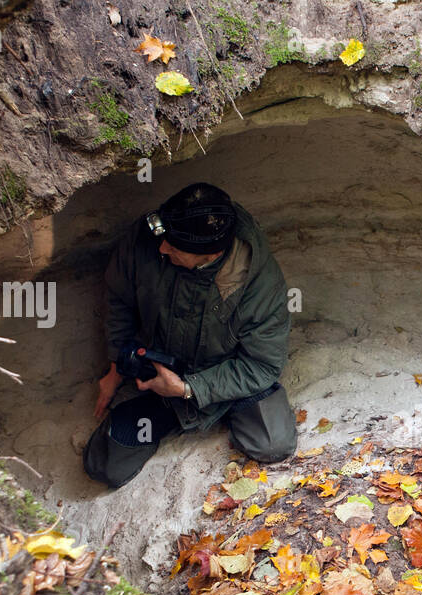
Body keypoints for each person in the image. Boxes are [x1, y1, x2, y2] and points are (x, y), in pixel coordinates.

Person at [84, 182, 297, 487]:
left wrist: (188, 388)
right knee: (104, 466)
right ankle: (171, 410)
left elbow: (261, 365)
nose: (162, 248)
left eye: (174, 247)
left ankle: (219, 409)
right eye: (165, 240)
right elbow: (119, 300)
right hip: (161, 376)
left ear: (210, 253)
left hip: (227, 378)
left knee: (272, 443)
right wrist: (118, 365)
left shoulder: (259, 285)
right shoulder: (149, 239)